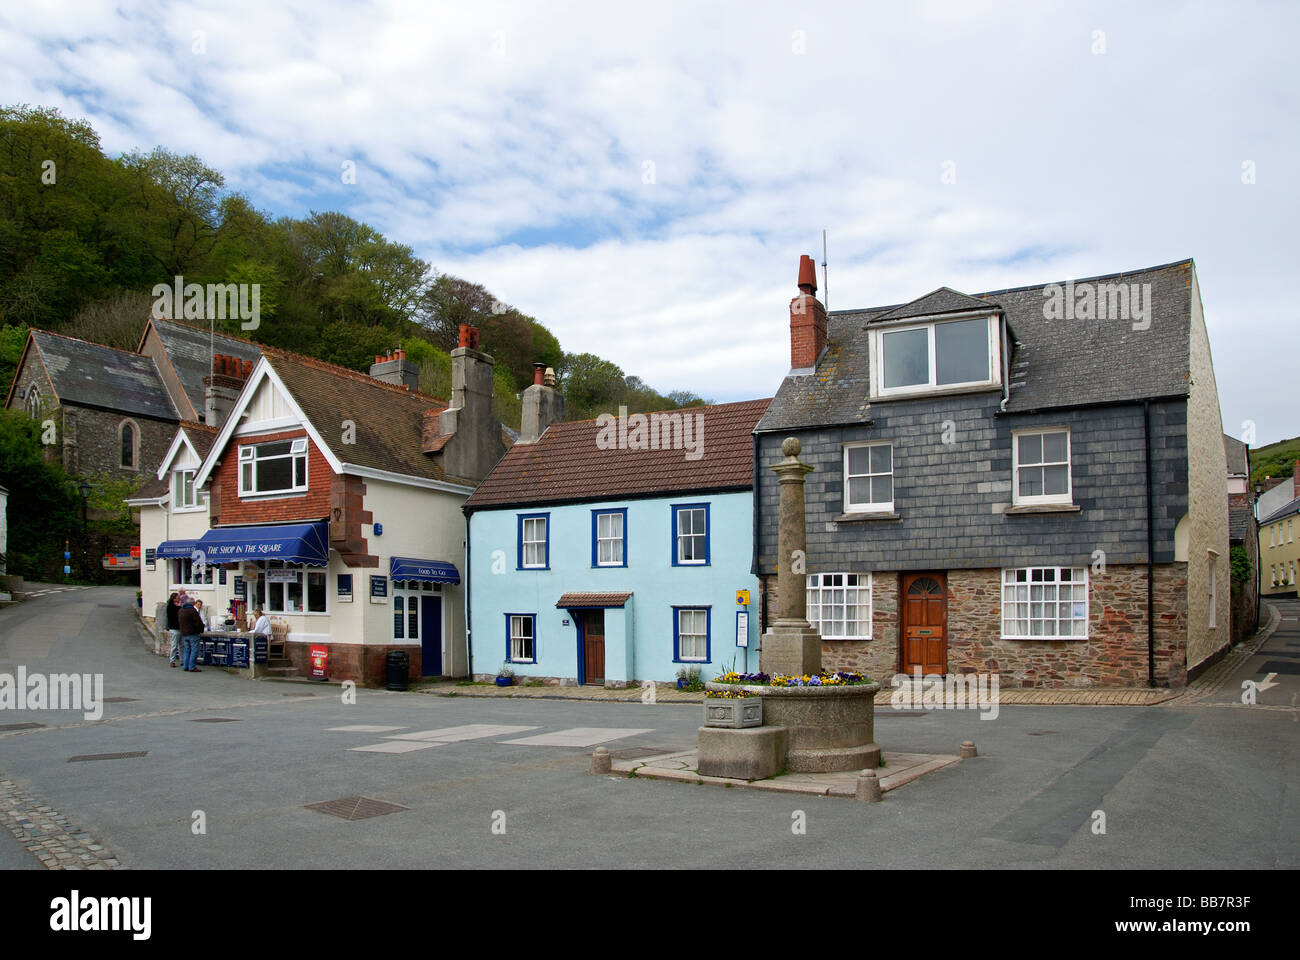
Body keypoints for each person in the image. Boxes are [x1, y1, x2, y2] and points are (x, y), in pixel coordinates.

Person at [178, 594, 205, 673]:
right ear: (193, 604)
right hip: (193, 633)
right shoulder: (193, 611)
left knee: (187, 650)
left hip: (184, 633)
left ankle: (185, 666)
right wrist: (201, 629)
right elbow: (198, 622)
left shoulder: (181, 610)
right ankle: (192, 667)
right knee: (194, 650)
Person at [165, 592, 181, 667]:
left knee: (180, 645)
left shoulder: (171, 606)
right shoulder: (172, 607)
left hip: (177, 628)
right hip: (175, 628)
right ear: (174, 599)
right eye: (178, 597)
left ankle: (181, 660)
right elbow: (175, 616)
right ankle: (172, 660)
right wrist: (179, 607)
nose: (179, 598)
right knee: (175, 645)